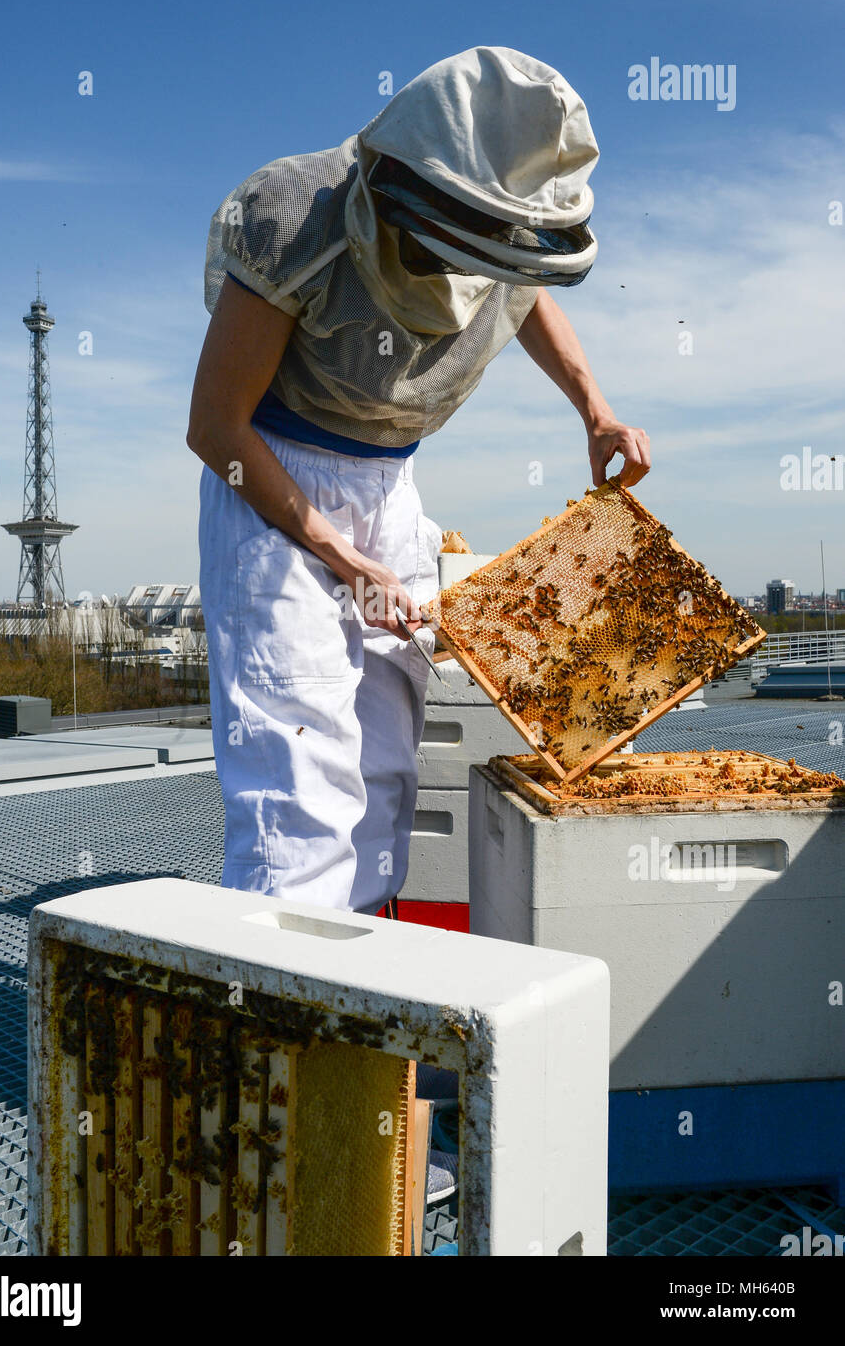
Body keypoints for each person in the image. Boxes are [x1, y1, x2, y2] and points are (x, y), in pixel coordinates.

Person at [188, 46, 650, 916]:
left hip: (391, 487)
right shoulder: (295, 217)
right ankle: (286, 1018)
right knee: (299, 773)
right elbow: (216, 429)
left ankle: (365, 1004)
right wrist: (337, 554)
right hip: (274, 483)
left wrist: (594, 410)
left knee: (382, 758)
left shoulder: (497, 236)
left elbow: (522, 291)